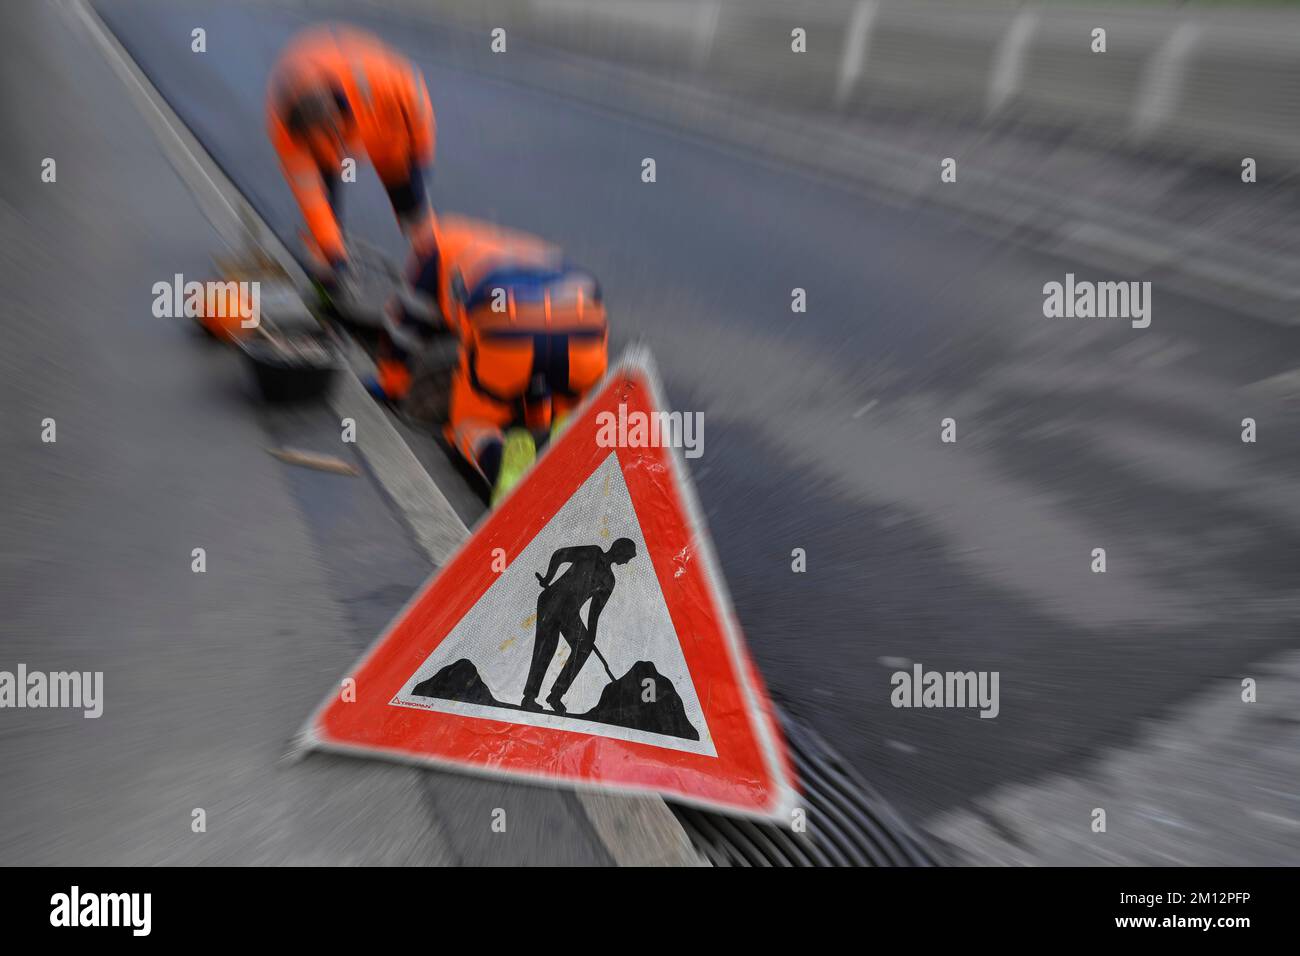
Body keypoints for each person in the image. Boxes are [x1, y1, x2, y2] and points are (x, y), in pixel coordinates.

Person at [372, 216, 609, 505]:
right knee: (563, 395)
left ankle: (504, 470)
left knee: (469, 423)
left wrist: (390, 384)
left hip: (507, 330)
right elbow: (546, 334)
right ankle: (566, 441)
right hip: (583, 325)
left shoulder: (432, 250)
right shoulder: (523, 246)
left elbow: (405, 328)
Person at [266, 25, 437, 290]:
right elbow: (310, 197)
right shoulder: (287, 133)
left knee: (413, 208)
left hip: (387, 131)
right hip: (340, 138)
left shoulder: (380, 80)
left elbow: (417, 104)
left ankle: (433, 273)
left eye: (328, 134)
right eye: (314, 142)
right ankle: (328, 282)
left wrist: (419, 155)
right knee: (326, 225)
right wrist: (334, 255)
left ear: (335, 116)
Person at [521, 539, 637, 714]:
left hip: (569, 612)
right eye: (628, 556)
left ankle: (556, 694)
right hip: (553, 601)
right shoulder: (593, 552)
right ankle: (529, 697)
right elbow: (561, 555)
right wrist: (548, 577)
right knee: (546, 648)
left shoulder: (609, 581)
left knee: (583, 647)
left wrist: (591, 637)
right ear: (619, 550)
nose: (627, 561)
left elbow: (594, 613)